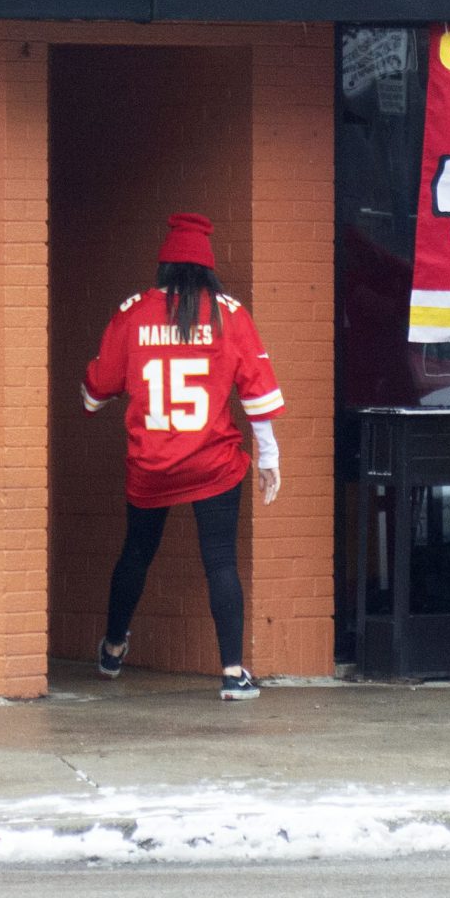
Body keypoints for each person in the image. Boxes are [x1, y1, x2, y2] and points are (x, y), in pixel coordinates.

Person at [81, 212, 283, 700]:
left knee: (136, 552)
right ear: (209, 269)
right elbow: (257, 394)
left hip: (151, 464)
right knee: (220, 562)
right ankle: (233, 673)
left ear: (165, 266)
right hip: (213, 463)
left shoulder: (134, 312)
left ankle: (112, 647)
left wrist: (93, 393)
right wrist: (269, 456)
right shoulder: (230, 315)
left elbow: (98, 387)